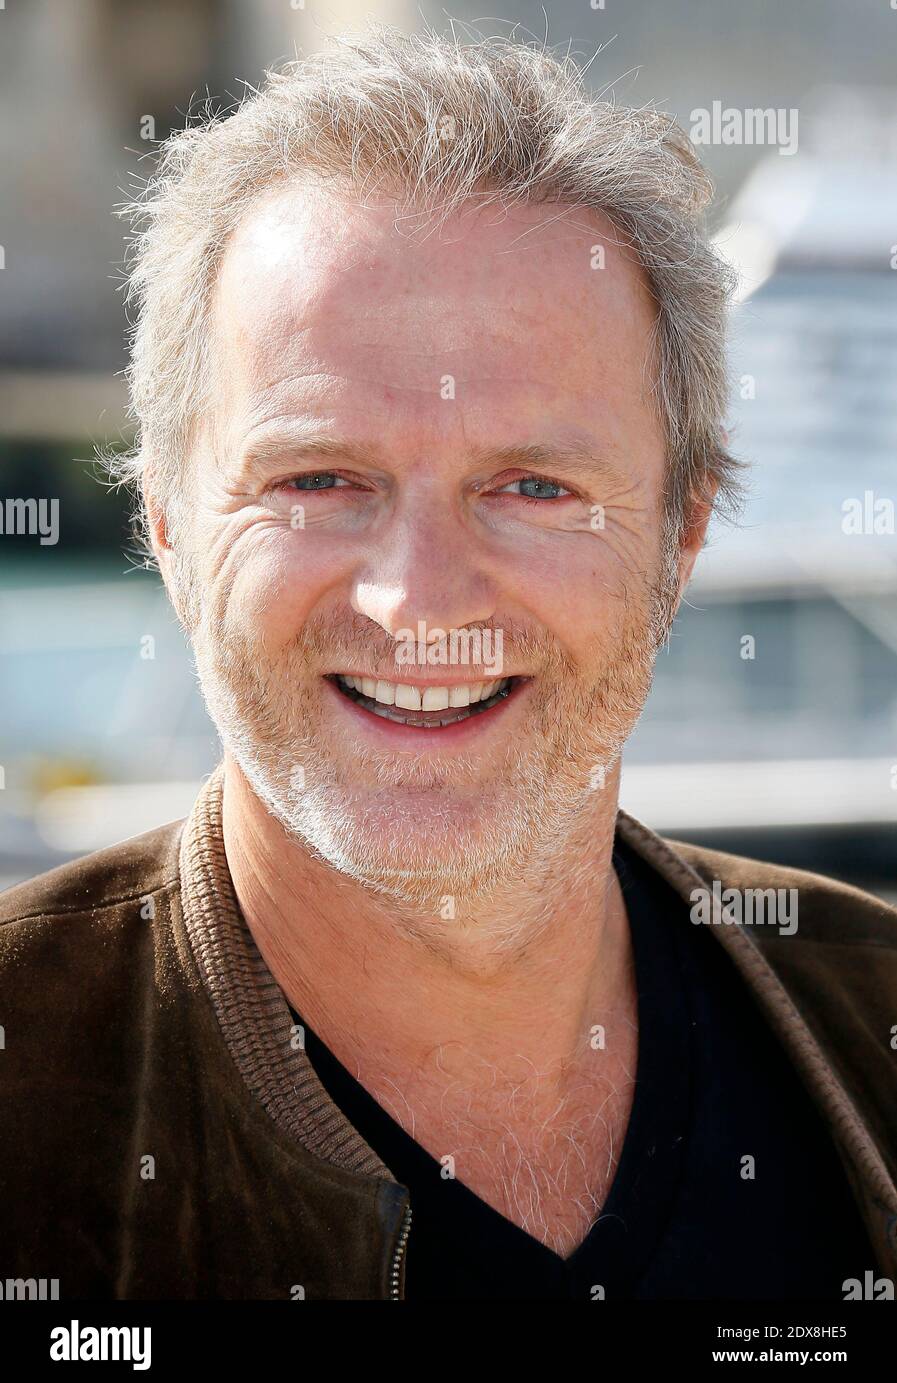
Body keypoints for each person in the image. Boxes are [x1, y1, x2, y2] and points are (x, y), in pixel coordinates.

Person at [1, 25, 894, 1300]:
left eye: (533, 486)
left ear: (682, 534)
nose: (418, 602)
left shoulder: (871, 1028)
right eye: (319, 479)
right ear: (167, 525)